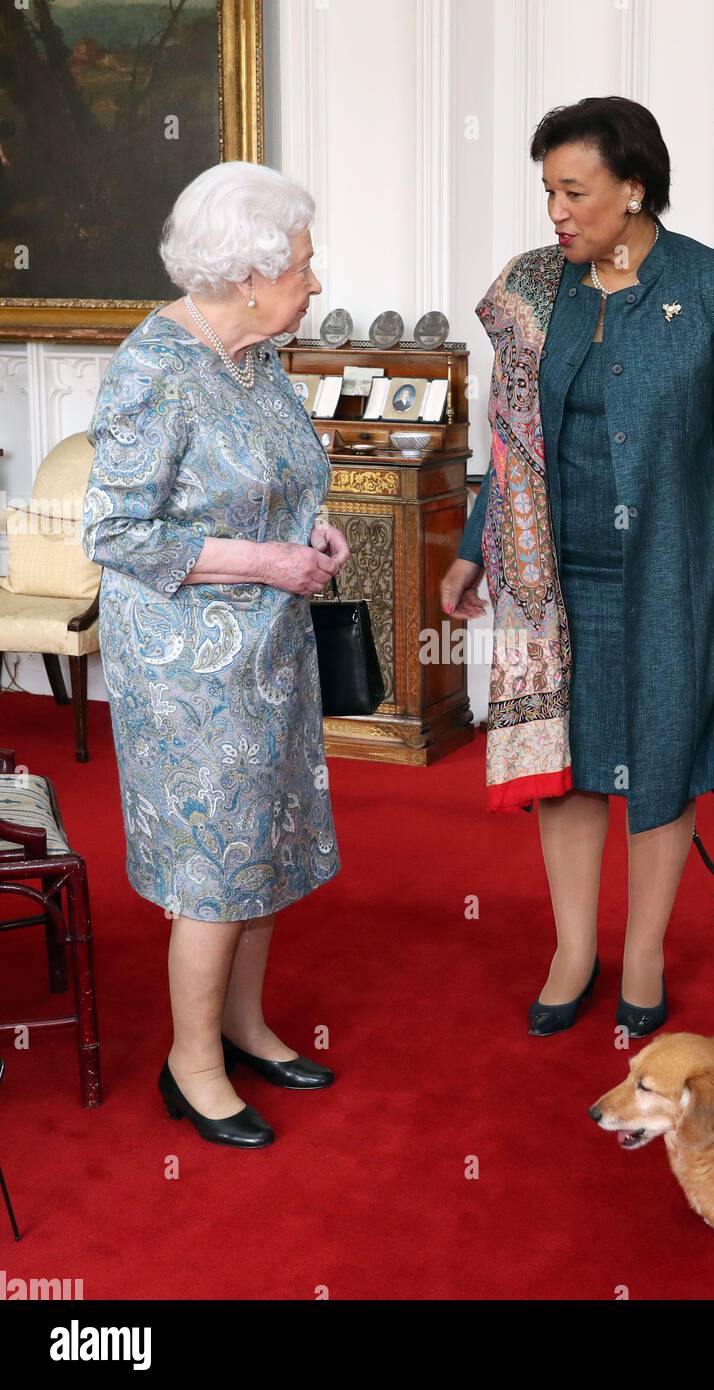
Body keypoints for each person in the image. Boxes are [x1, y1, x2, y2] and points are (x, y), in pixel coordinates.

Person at [441, 97, 714, 1039]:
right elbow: (512, 446)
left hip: (674, 571)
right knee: (570, 762)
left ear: (633, 188)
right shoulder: (538, 289)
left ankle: (646, 953)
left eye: (574, 192)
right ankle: (573, 949)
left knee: (660, 756)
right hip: (553, 579)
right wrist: (473, 552)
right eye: (548, 191)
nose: (557, 212)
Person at [82, 161, 350, 1148]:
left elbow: (286, 477)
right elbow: (114, 532)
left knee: (263, 844)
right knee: (213, 862)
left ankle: (243, 1024)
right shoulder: (155, 368)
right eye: (303, 265)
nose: (315, 282)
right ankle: (190, 1063)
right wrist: (264, 558)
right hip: (187, 668)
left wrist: (313, 535)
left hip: (269, 649)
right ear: (248, 274)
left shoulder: (259, 357)